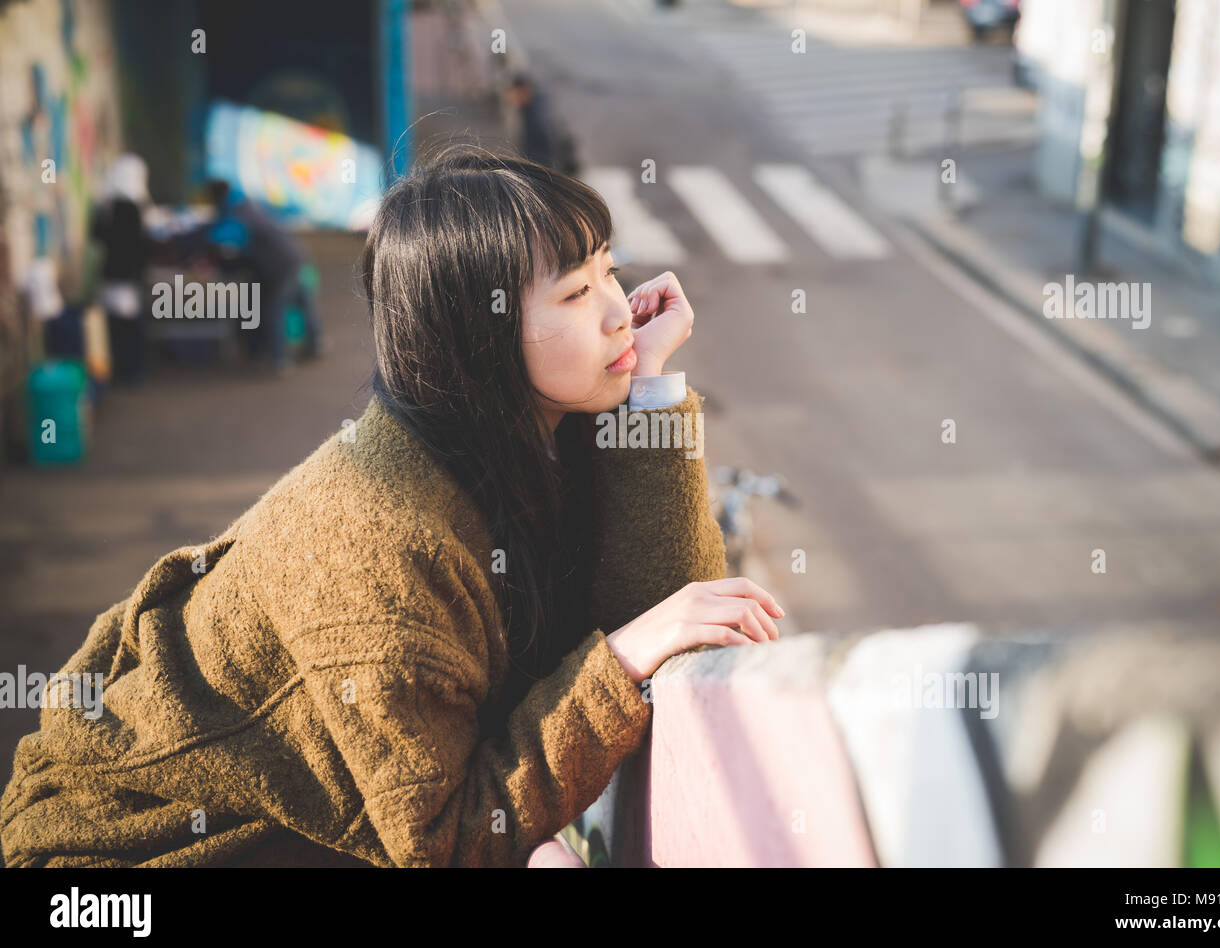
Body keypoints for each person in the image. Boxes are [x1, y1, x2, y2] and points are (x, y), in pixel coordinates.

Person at [0, 144, 784, 867]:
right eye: (577, 292)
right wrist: (615, 662)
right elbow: (443, 843)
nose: (618, 311)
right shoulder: (384, 540)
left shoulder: (538, 435)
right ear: (480, 331)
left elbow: (673, 612)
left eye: (611, 271)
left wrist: (648, 389)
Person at [205, 179, 321, 371]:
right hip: (293, 255)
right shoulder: (247, 204)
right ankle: (315, 344)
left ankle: (279, 359)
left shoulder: (236, 213)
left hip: (277, 264)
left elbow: (220, 238)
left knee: (273, 310)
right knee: (301, 301)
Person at [90, 154, 153, 385]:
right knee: (131, 327)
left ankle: (121, 372)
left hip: (113, 275)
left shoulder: (110, 207)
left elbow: (96, 235)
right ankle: (133, 372)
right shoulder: (137, 208)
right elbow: (144, 246)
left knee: (116, 328)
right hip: (130, 277)